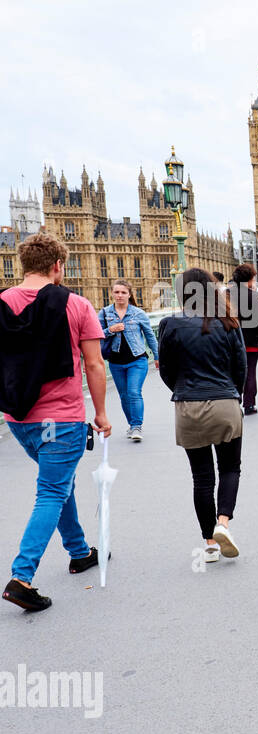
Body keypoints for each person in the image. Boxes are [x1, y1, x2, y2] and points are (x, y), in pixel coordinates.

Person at [1, 233, 110, 612]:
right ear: (57, 266)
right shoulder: (77, 304)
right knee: (51, 490)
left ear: (21, 265)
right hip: (60, 420)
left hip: (19, 419)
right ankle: (21, 576)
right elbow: (95, 364)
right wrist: (100, 413)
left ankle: (79, 552)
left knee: (61, 482)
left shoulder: (2, 302)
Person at [157, 268, 246, 564]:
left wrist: (183, 390)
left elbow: (166, 370)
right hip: (225, 402)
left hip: (188, 407)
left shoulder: (170, 324)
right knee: (230, 469)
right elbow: (240, 369)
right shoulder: (228, 322)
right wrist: (235, 396)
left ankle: (209, 544)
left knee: (201, 478)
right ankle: (223, 523)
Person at [97, 278, 158, 441]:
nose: (119, 295)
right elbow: (95, 335)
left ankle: (137, 426)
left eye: (123, 292)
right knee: (124, 395)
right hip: (116, 362)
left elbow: (150, 336)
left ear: (129, 295)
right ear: (112, 293)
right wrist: (110, 329)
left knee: (133, 392)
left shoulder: (138, 313)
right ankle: (132, 425)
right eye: (116, 292)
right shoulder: (104, 313)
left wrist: (157, 356)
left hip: (137, 360)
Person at [230, 263, 258, 414]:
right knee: (250, 372)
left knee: (233, 372)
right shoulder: (254, 296)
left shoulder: (226, 296)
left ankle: (234, 403)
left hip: (231, 341)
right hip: (251, 341)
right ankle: (249, 405)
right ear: (249, 279)